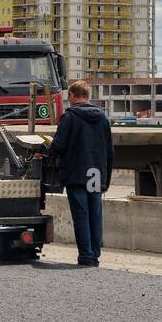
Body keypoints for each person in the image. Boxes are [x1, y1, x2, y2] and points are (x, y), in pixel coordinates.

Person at [49, 80, 114, 267]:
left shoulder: (69, 117)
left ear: (71, 95)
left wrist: (49, 148)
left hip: (76, 174)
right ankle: (94, 254)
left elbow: (58, 146)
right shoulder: (102, 118)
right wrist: (106, 180)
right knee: (95, 216)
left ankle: (86, 256)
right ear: (87, 95)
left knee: (81, 216)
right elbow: (110, 151)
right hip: (97, 174)